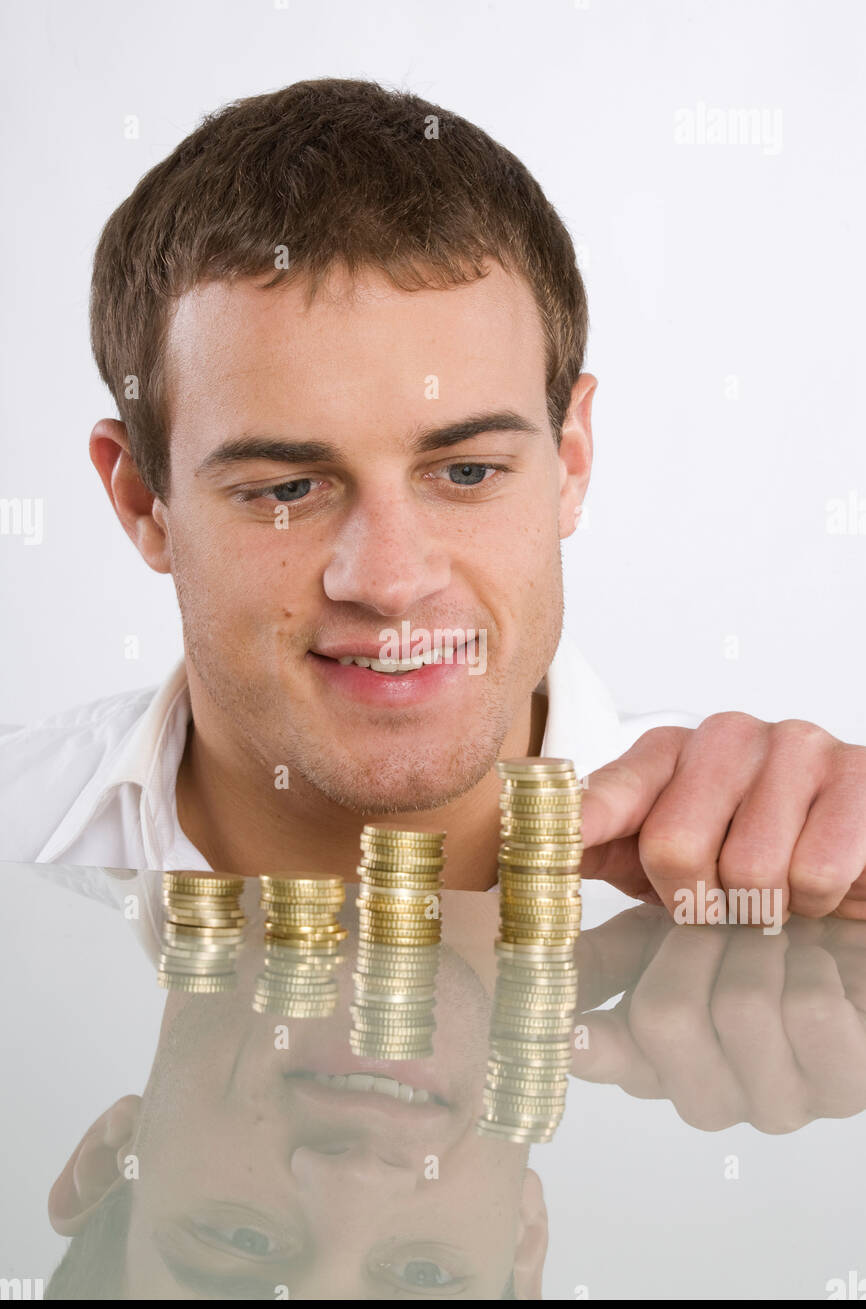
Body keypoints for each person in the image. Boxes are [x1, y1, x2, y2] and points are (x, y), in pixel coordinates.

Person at [1, 78, 864, 918]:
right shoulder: (20, 829)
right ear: (143, 502)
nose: (389, 582)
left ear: (570, 464)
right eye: (290, 489)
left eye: (466, 472)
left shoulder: (795, 860)